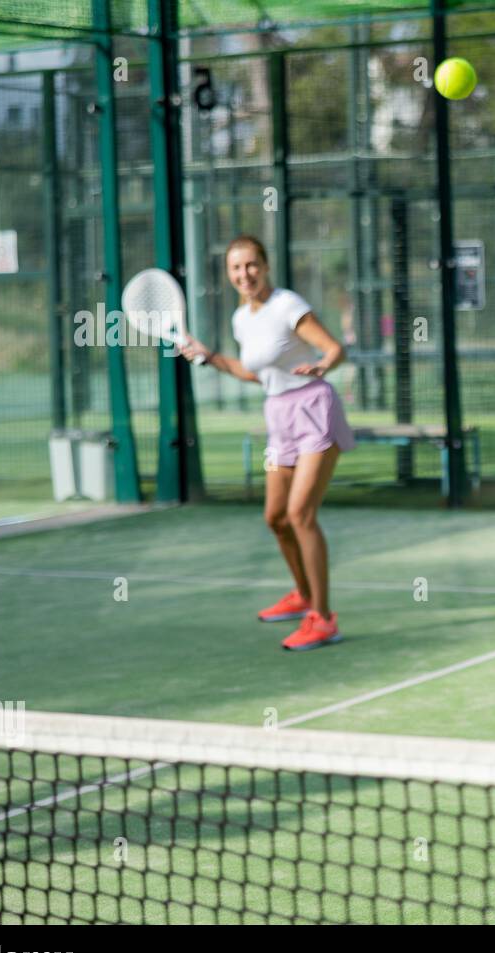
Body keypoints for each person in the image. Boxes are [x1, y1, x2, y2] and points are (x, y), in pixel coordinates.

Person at [179, 235, 355, 651]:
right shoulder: (242, 319)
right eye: (236, 268)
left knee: (300, 514)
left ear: (266, 266)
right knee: (276, 517)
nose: (245, 275)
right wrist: (210, 357)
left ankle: (324, 619)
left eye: (252, 265)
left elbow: (334, 348)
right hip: (279, 416)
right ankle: (303, 594)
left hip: (314, 408)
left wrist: (323, 364)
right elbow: (256, 372)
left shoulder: (287, 305)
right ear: (229, 275)